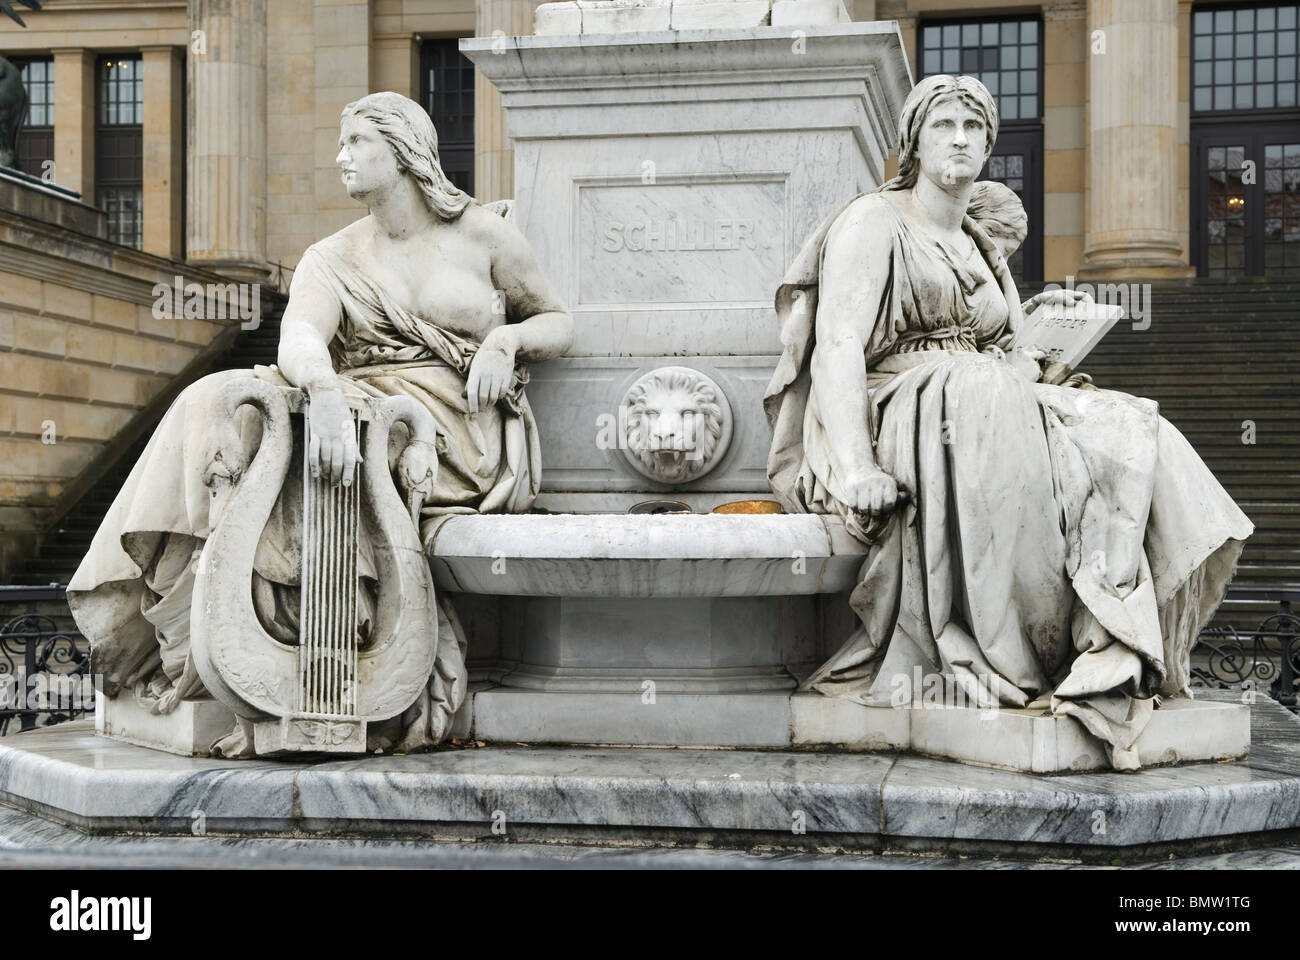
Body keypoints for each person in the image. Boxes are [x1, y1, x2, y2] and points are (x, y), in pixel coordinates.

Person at [764, 74, 1253, 769]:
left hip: (990, 394)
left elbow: (1009, 351)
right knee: (985, 397)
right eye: (944, 126)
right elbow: (839, 345)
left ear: (990, 145)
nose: (960, 140)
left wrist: (1036, 361)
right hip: (904, 401)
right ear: (914, 140)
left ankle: (1107, 638)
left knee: (1132, 427)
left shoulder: (979, 245)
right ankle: (1022, 653)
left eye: (974, 129)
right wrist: (856, 465)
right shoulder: (874, 221)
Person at [68, 92, 572, 754]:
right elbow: (301, 333)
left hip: (455, 427)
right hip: (362, 403)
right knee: (214, 401)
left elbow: (557, 321)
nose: (341, 157)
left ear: (404, 150)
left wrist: (508, 344)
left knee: (323, 457)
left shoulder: (484, 235)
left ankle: (317, 663)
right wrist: (324, 389)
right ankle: (203, 642)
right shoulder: (333, 255)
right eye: (339, 143)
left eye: (356, 142)